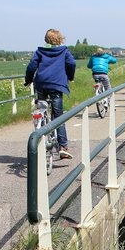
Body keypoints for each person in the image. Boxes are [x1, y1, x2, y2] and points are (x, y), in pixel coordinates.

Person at [25, 28, 76, 159]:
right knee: (58, 116)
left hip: (41, 84)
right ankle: (63, 147)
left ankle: (40, 131)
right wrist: (70, 76)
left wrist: (28, 80)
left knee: (41, 107)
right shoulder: (64, 51)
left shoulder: (40, 51)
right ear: (60, 39)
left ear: (46, 39)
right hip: (57, 85)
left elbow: (31, 66)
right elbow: (71, 63)